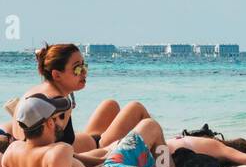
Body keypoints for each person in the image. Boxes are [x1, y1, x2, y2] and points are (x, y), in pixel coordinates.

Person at [2, 94, 227, 167]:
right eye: (58, 119)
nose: (62, 124)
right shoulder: (57, 152)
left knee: (150, 126)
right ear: (49, 124)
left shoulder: (11, 154)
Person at [19, 43, 152, 154]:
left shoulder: (34, 95)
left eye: (84, 66)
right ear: (57, 75)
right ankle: (159, 154)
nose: (84, 72)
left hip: (91, 139)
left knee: (110, 104)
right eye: (77, 68)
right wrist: (104, 153)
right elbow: (52, 153)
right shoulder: (57, 104)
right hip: (99, 148)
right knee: (136, 109)